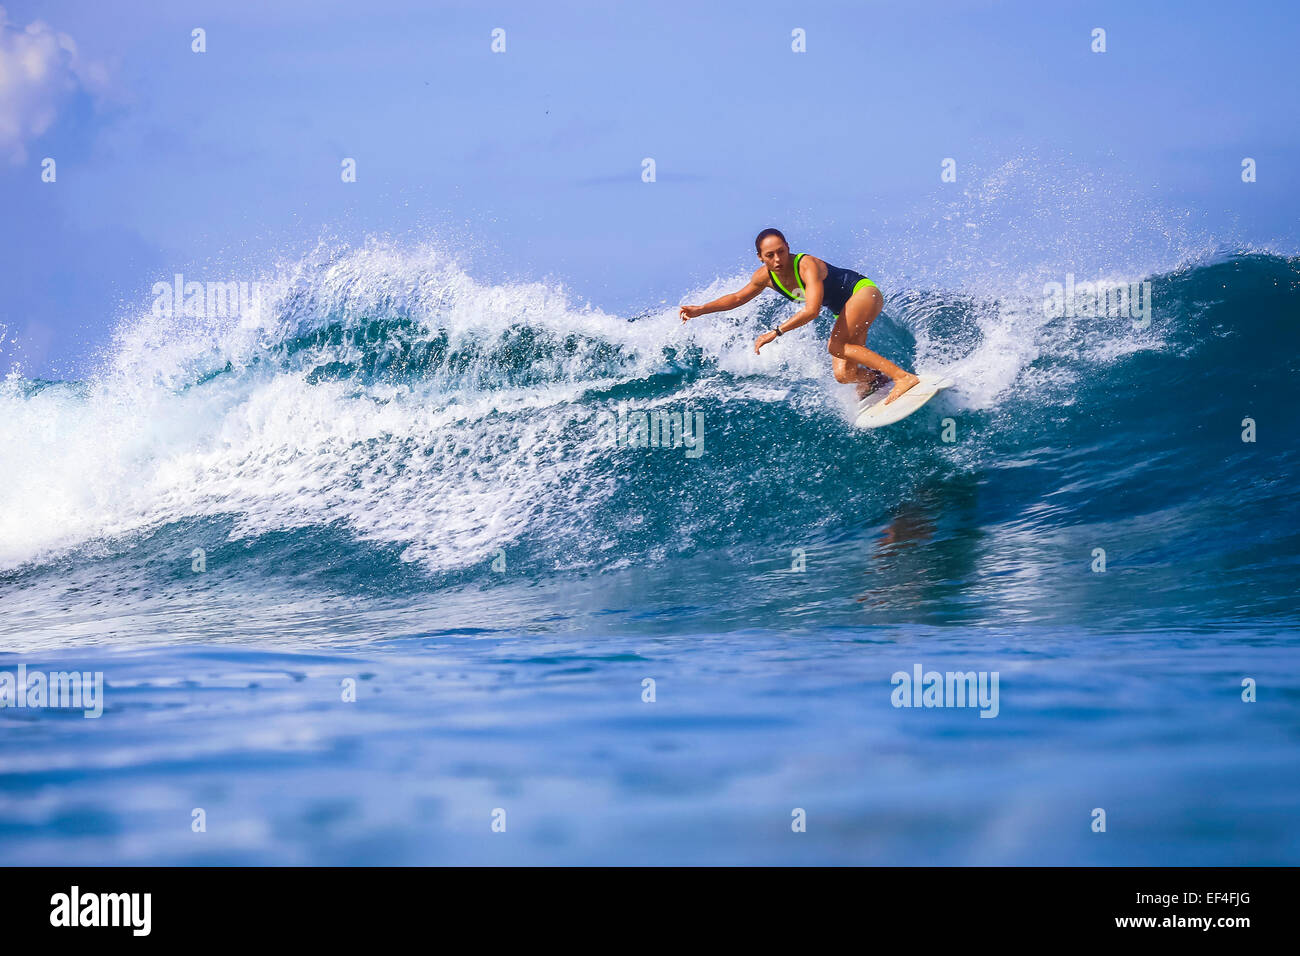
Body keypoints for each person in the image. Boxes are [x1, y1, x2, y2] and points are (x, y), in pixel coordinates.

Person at [679, 228, 919, 404]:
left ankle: (903, 377)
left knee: (836, 346)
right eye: (770, 255)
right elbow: (737, 298)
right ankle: (875, 380)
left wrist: (776, 332)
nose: (777, 259)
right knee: (843, 375)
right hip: (843, 310)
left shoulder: (806, 265)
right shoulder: (765, 277)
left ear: (788, 247)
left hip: (863, 293)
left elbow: (812, 310)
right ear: (760, 257)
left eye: (781, 252)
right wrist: (701, 310)